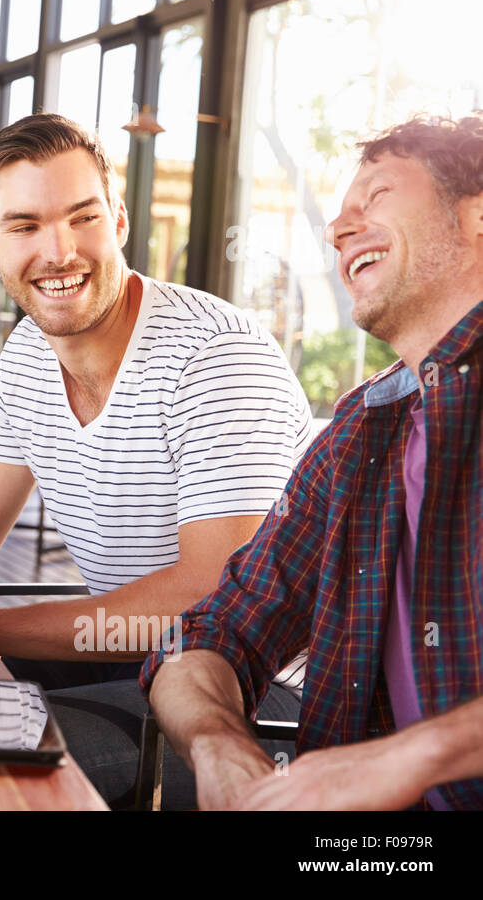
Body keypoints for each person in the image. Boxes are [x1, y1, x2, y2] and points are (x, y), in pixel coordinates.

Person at [0, 113, 311, 807]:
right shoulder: (27, 360)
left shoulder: (215, 360)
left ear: (117, 221)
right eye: (24, 226)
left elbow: (209, 597)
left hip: (257, 700)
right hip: (130, 660)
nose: (58, 252)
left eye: (81, 218)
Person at [142, 113, 483, 810]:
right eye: (337, 216)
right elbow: (213, 632)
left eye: (377, 195)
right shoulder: (360, 435)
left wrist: (410, 759)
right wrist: (220, 746)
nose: (338, 229)